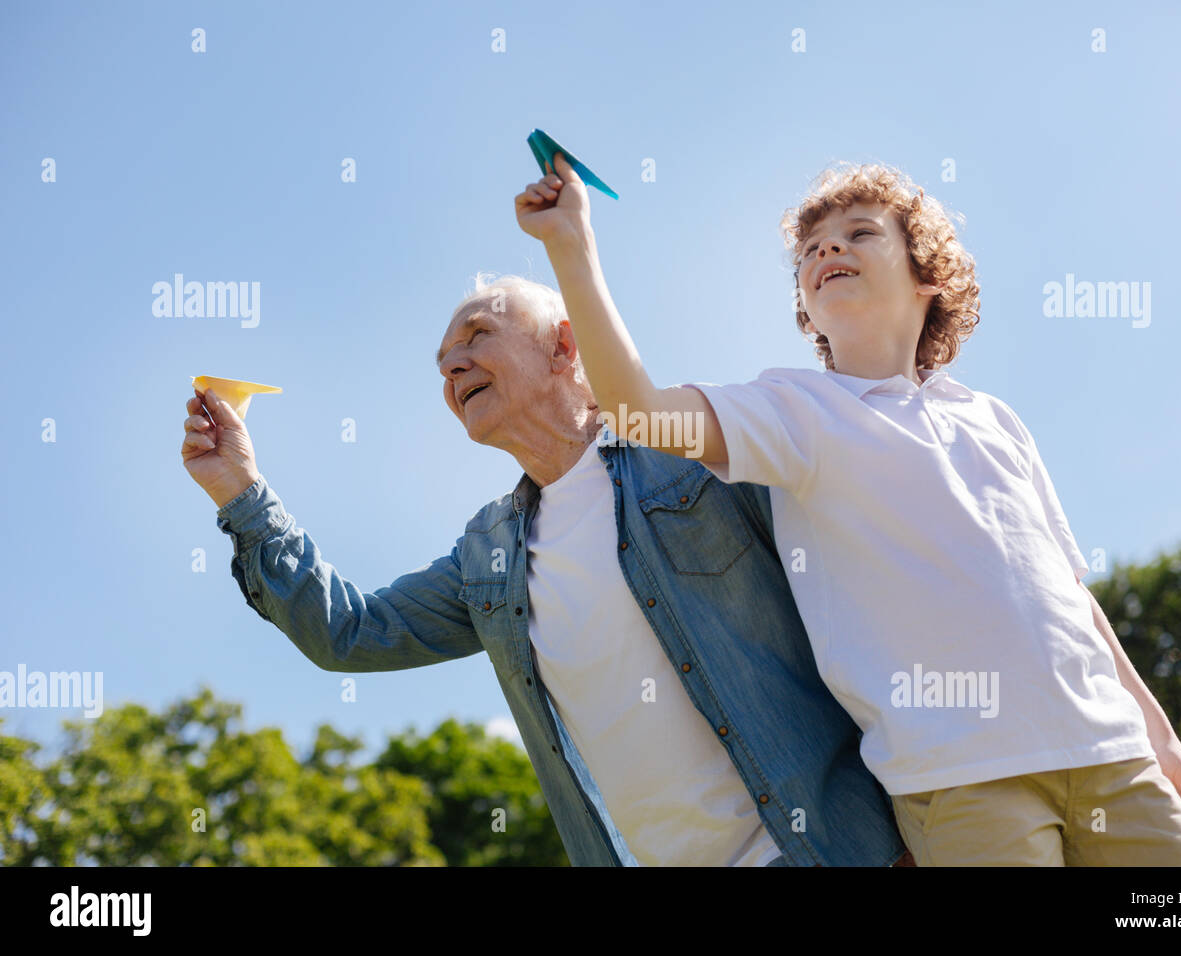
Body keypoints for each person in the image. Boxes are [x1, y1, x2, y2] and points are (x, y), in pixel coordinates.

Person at [517, 152, 1181, 866]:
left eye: (860, 233)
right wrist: (571, 246)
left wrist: (1158, 733)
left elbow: (1072, 594)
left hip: (1113, 754)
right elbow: (642, 414)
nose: (829, 248)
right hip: (956, 783)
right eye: (813, 248)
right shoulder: (797, 411)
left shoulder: (995, 418)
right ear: (806, 303)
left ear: (928, 277)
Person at [180, 273, 908, 867]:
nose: (453, 367)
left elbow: (862, 586)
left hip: (829, 849)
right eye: (443, 364)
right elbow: (348, 634)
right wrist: (242, 494)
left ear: (565, 346)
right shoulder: (486, 555)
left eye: (476, 338)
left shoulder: (692, 446)